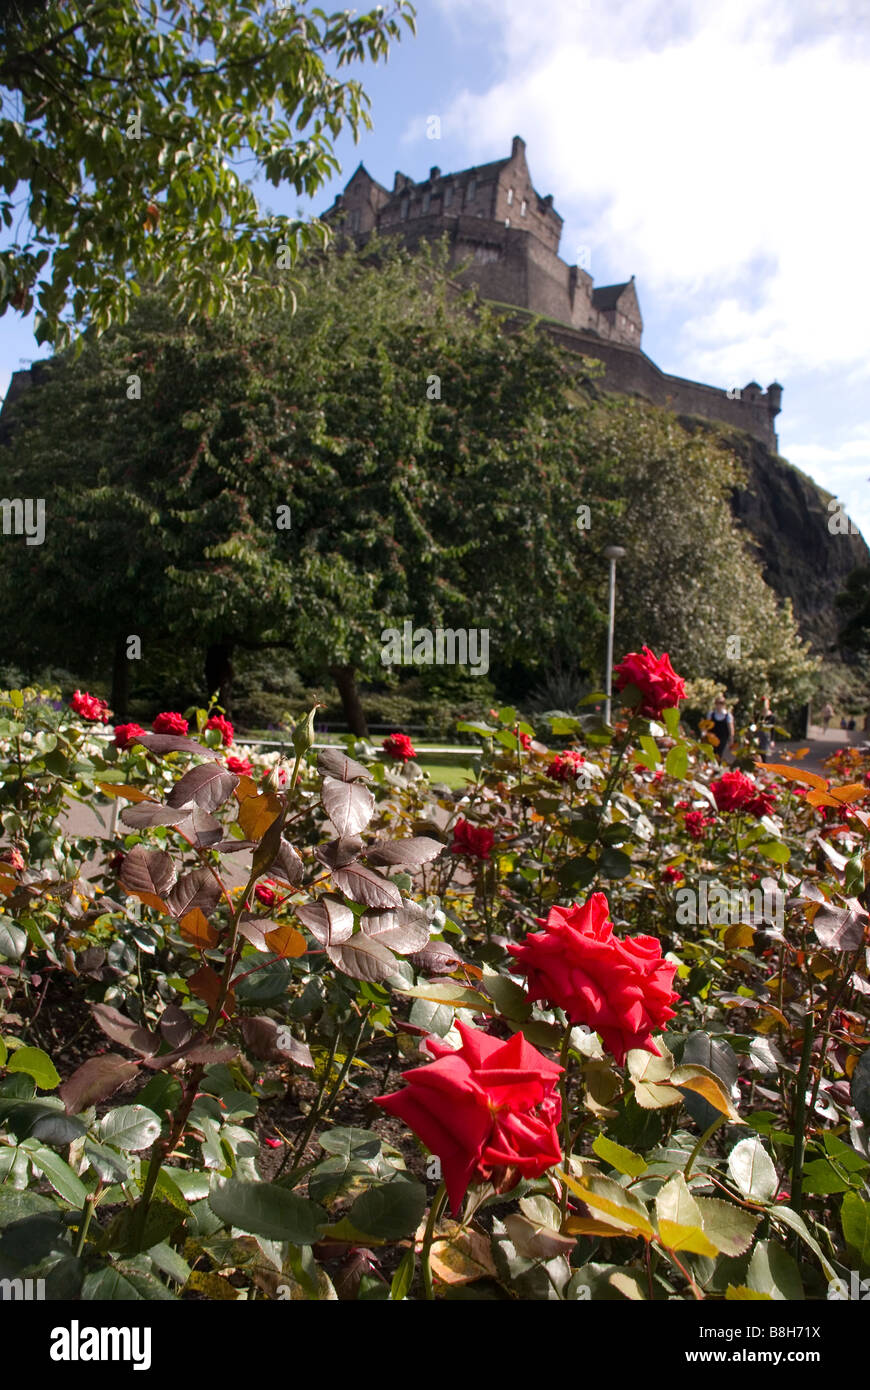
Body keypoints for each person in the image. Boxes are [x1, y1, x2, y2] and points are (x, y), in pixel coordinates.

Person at [707, 694, 735, 763]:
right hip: (712, 737)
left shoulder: (727, 715)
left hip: (723, 739)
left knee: (720, 754)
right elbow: (707, 725)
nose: (719, 705)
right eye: (717, 703)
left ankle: (718, 768)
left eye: (721, 703)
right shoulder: (711, 714)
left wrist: (731, 738)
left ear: (724, 704)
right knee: (711, 754)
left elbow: (730, 727)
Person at [757, 696, 776, 762]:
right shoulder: (758, 715)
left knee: (764, 752)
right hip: (758, 735)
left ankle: (764, 766)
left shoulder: (772, 716)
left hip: (766, 737)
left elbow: (773, 729)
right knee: (757, 752)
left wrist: (772, 740)